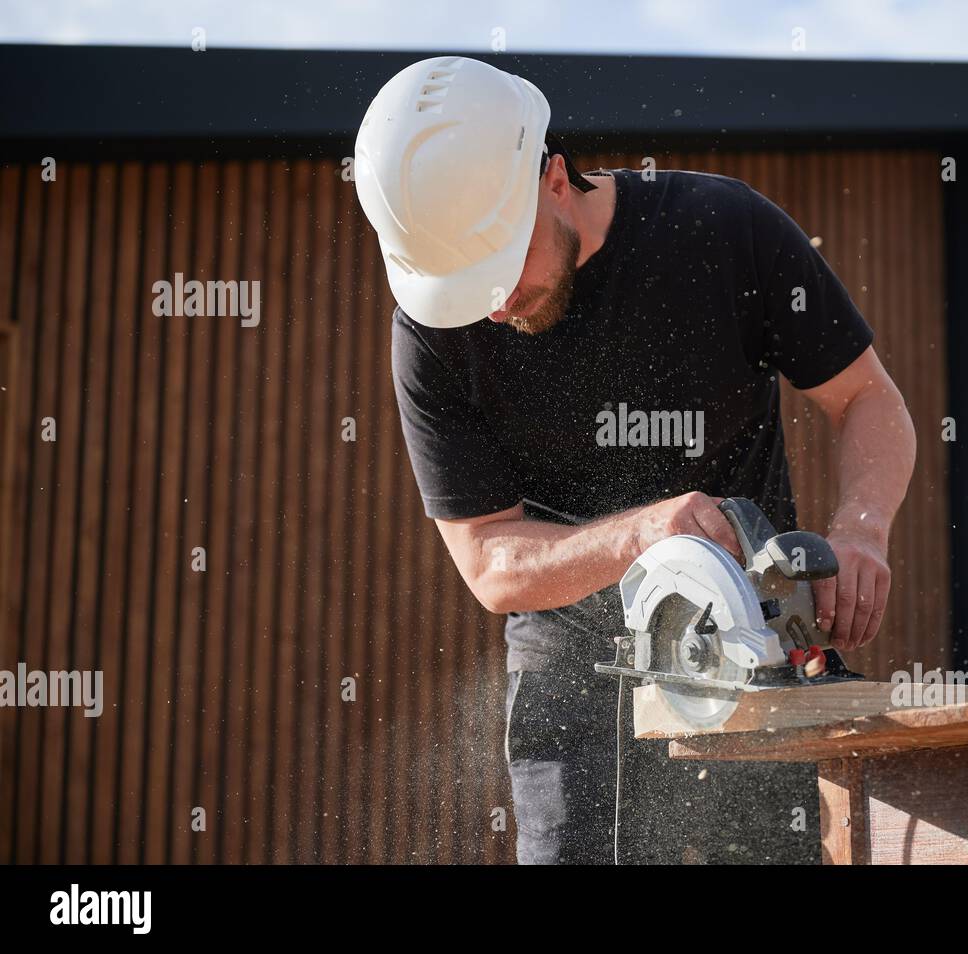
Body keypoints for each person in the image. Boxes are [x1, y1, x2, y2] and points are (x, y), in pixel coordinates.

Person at [354, 55, 917, 864]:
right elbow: (488, 560)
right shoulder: (434, 331)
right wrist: (642, 535)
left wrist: (860, 531)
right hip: (568, 684)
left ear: (553, 177)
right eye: (466, 286)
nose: (494, 304)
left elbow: (868, 399)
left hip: (752, 653)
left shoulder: (724, 230)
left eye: (504, 266)